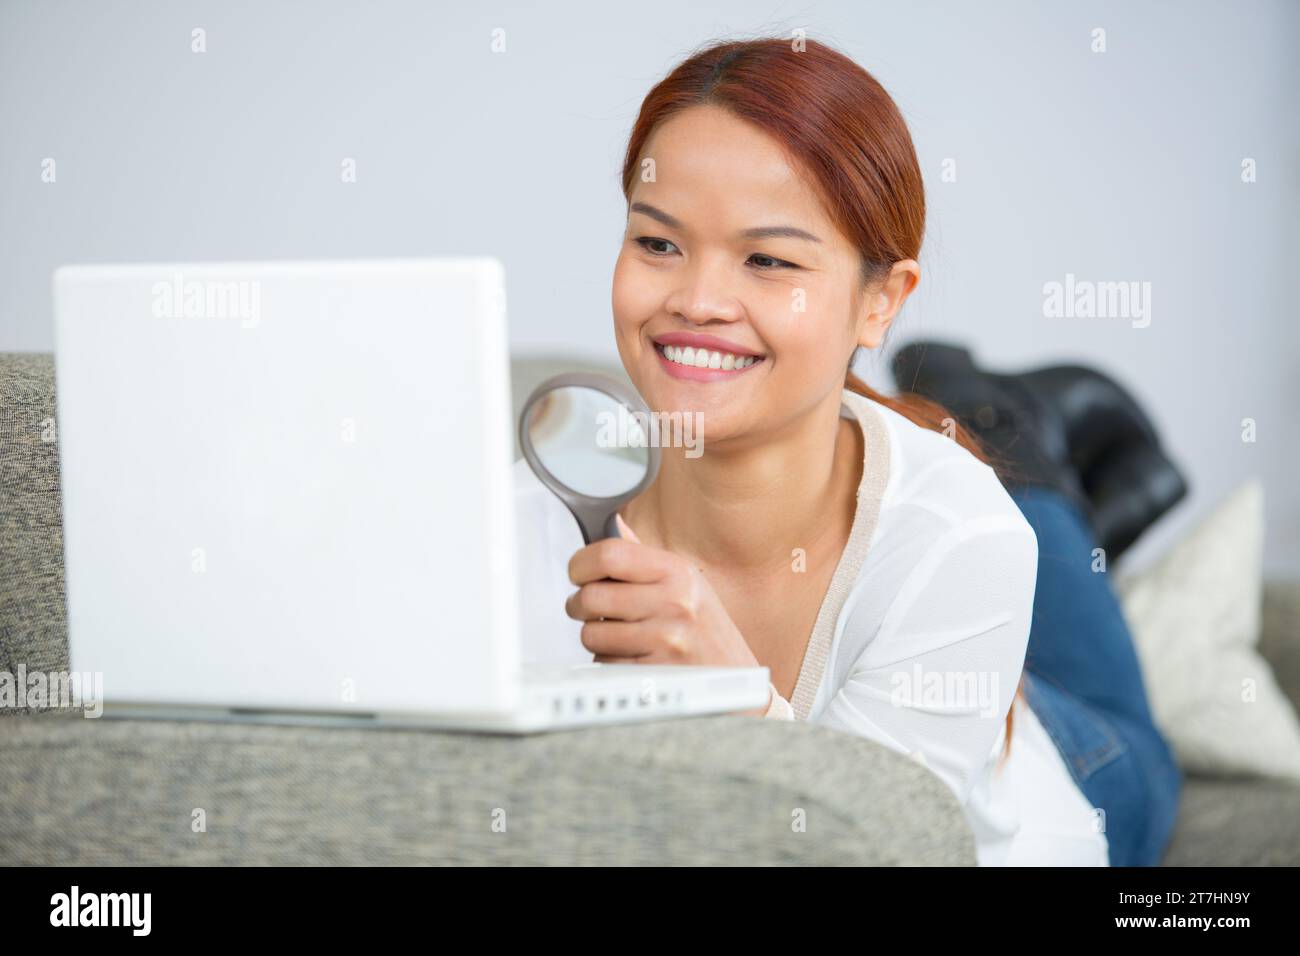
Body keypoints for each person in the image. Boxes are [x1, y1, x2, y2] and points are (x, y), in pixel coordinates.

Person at [515, 36, 1180, 866]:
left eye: (767, 259)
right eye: (658, 244)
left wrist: (735, 702)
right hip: (936, 626)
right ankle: (988, 421)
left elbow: (873, 851)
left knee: (1132, 737)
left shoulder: (968, 535)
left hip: (1068, 759)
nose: (695, 301)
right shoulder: (517, 521)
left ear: (881, 303)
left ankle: (1024, 441)